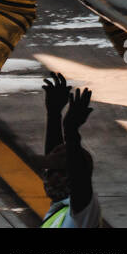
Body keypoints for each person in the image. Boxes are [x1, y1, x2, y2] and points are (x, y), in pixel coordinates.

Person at [39, 72, 104, 227]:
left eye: (55, 173)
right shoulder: (58, 211)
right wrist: (54, 114)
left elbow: (78, 175)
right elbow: (60, 160)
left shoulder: (83, 213)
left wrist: (71, 131)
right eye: (50, 172)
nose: (49, 178)